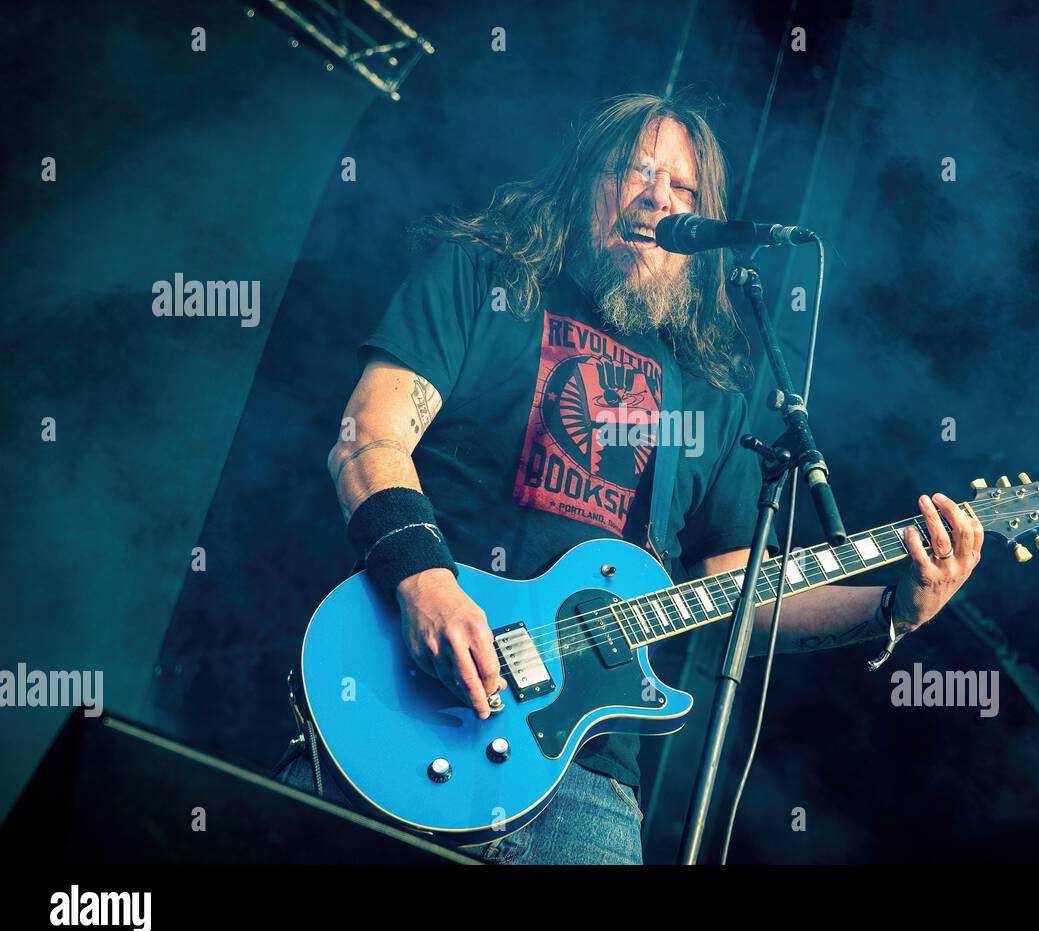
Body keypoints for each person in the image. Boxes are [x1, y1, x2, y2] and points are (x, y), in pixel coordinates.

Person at [275, 92, 983, 864]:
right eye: (636, 170)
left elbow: (733, 585)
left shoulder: (712, 384)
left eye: (684, 189)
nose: (659, 198)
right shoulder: (485, 278)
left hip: (589, 790)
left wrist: (891, 608)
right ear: (584, 182)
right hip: (404, 702)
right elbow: (366, 435)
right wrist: (426, 584)